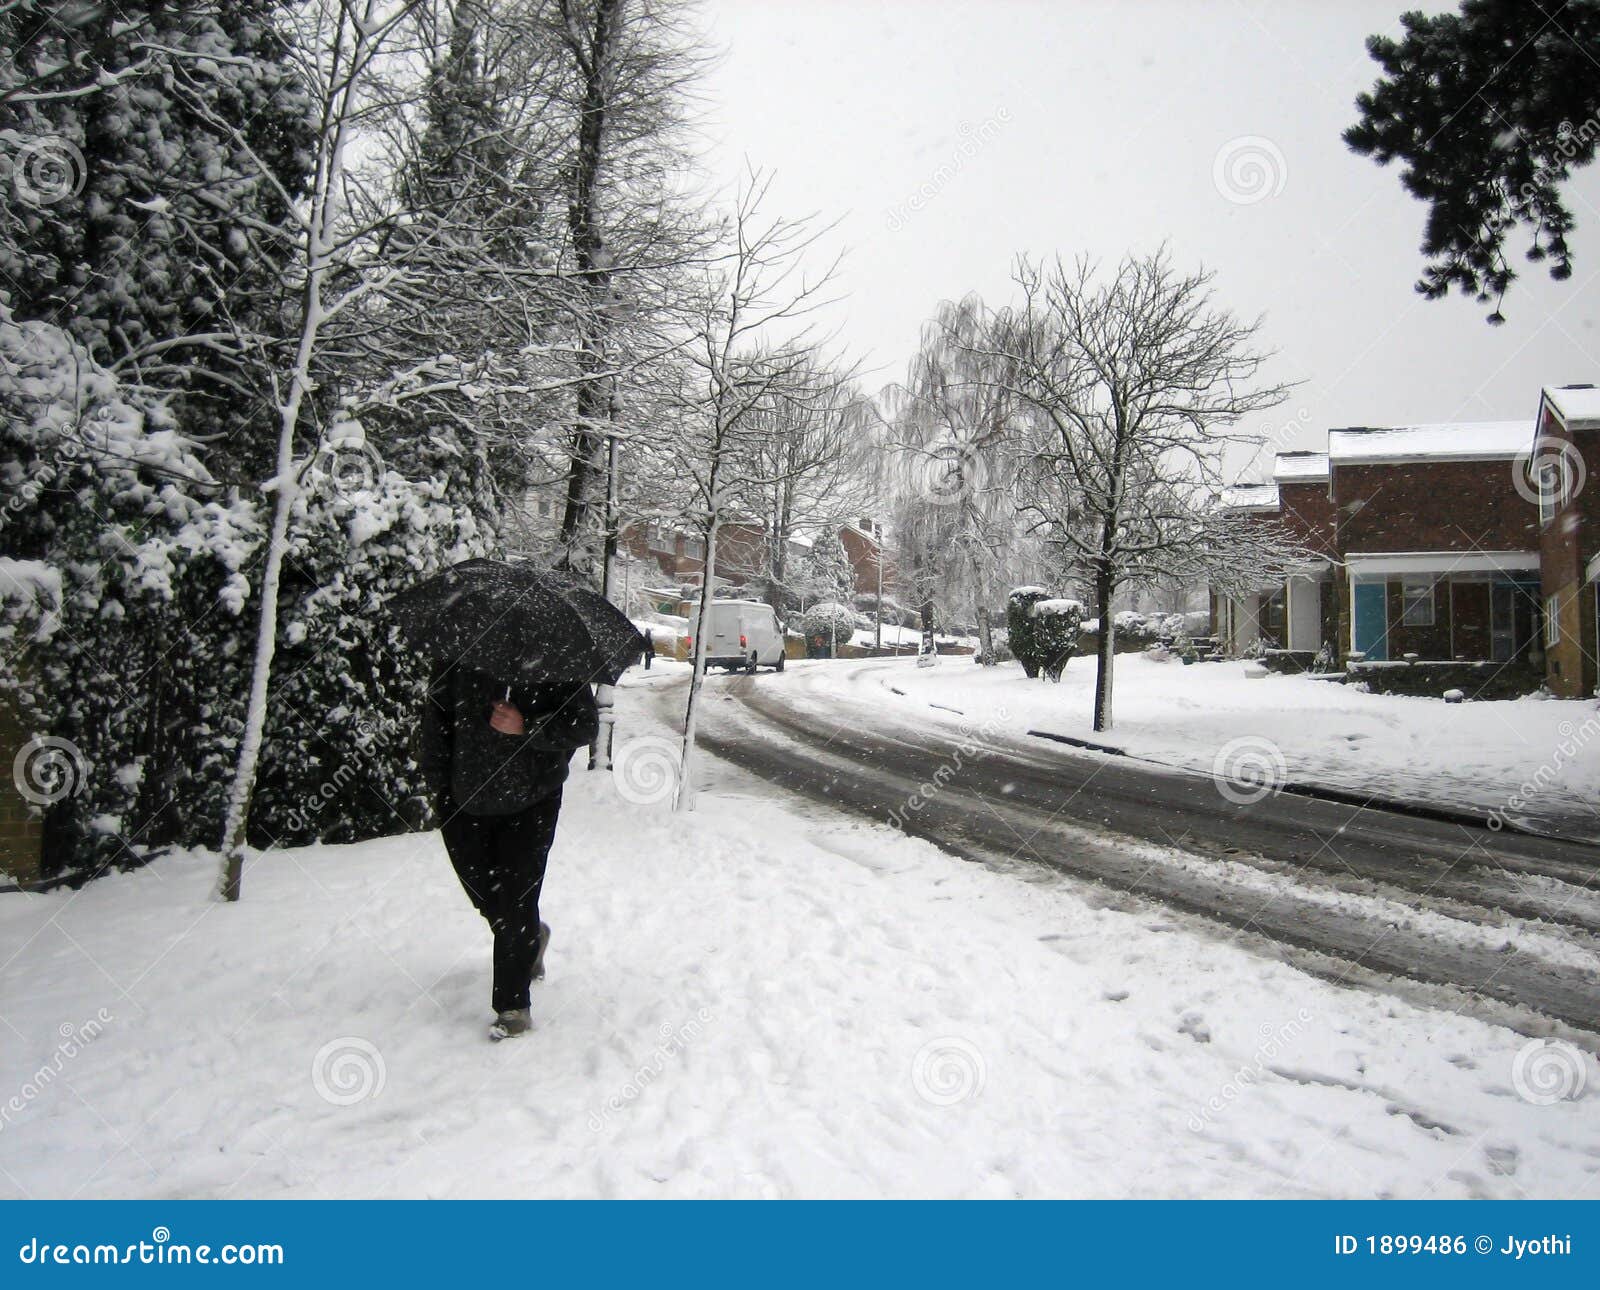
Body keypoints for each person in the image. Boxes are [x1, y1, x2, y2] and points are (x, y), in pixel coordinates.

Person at [420, 664, 598, 1041]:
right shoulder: (459, 657)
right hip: (464, 800)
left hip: (532, 799)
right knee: (485, 896)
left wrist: (527, 726)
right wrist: (440, 787)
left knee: (516, 898)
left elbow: (584, 726)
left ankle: (512, 1004)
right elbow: (435, 721)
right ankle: (531, 936)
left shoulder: (554, 659)